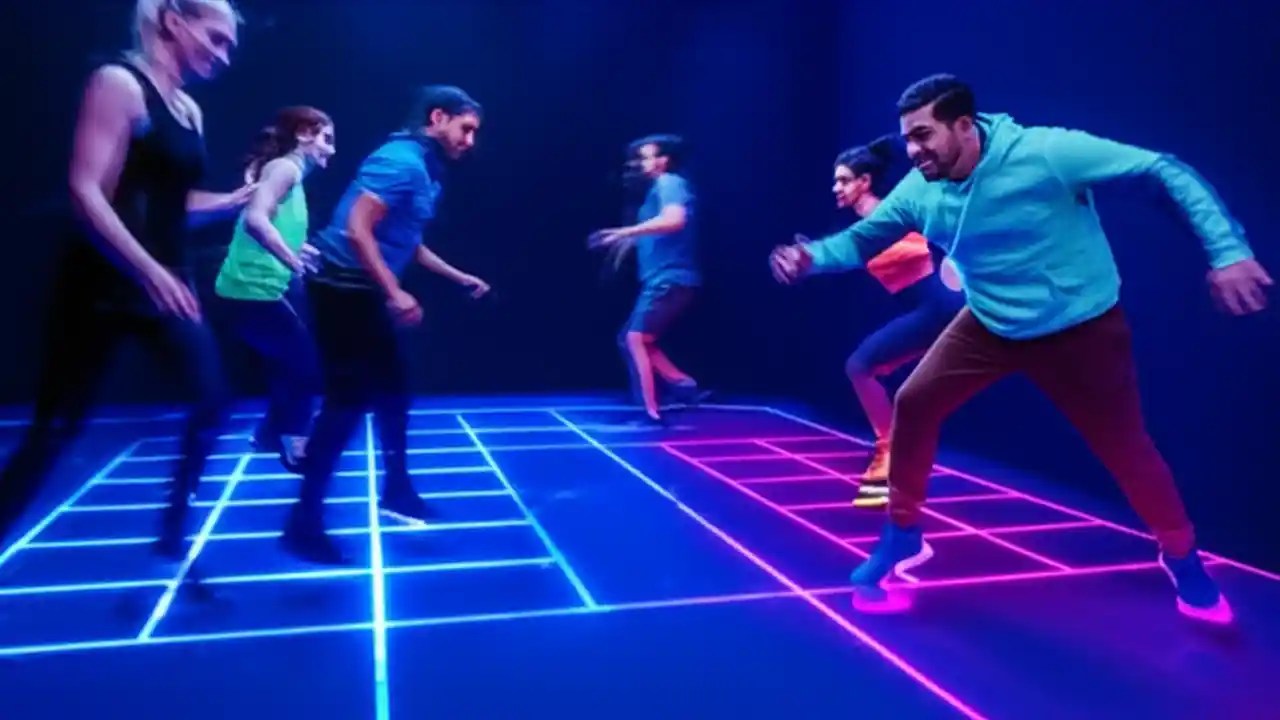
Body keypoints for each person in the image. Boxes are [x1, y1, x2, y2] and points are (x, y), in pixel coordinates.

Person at [770, 74, 1271, 622]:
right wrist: (811, 258)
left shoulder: (1046, 152)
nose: (914, 151)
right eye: (907, 139)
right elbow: (862, 241)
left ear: (963, 125)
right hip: (989, 325)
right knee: (914, 403)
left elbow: (1162, 170)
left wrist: (1227, 251)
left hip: (1079, 329)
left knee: (1126, 448)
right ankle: (903, 535)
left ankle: (1182, 556)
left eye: (923, 135)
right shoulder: (921, 186)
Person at [0, 0, 249, 557]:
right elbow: (87, 191)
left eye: (230, 44)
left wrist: (236, 202)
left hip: (163, 280)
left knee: (213, 399)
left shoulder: (188, 110)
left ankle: (172, 531)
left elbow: (173, 205)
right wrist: (147, 269)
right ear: (174, 21)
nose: (224, 55)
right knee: (55, 432)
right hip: (101, 284)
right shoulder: (119, 83)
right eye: (217, 38)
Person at [283, 85, 491, 564]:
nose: (470, 140)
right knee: (347, 403)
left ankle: (396, 490)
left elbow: (404, 239)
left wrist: (458, 277)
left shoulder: (425, 169)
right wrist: (395, 292)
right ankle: (303, 522)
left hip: (364, 290)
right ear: (438, 117)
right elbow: (358, 229)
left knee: (394, 394)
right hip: (342, 287)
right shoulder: (401, 161)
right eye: (466, 128)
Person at [796, 137, 963, 507]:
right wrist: (810, 258)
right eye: (835, 181)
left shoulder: (891, 214)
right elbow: (849, 251)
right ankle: (894, 455)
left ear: (864, 182)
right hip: (931, 312)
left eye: (843, 180)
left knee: (861, 366)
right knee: (865, 369)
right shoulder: (868, 226)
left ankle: (891, 454)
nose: (835, 188)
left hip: (942, 307)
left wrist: (810, 256)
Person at [214, 106, 334, 470]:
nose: (331, 150)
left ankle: (267, 435)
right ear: (303, 135)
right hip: (251, 290)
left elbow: (273, 225)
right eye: (327, 140)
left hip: (256, 290)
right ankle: (295, 447)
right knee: (304, 365)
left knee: (288, 363)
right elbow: (254, 220)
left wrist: (300, 250)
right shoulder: (286, 168)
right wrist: (292, 260)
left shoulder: (289, 174)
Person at [589, 135, 708, 425]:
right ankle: (685, 387)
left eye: (644, 157)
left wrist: (623, 233)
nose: (637, 164)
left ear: (662, 161)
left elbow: (674, 220)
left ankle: (650, 411)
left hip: (670, 278)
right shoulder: (654, 193)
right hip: (667, 279)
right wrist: (618, 244)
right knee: (635, 338)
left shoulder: (669, 183)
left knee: (634, 339)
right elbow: (649, 234)